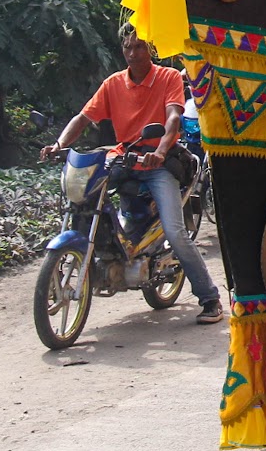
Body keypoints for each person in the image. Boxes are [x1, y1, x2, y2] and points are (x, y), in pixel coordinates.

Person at [42, 26, 224, 324]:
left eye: (139, 46)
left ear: (150, 49)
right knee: (85, 199)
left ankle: (209, 298)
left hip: (159, 164)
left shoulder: (168, 77)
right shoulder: (113, 83)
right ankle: (110, 246)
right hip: (124, 159)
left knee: (175, 232)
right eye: (127, 47)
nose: (132, 53)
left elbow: (173, 118)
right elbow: (83, 117)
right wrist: (59, 145)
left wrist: (160, 152)